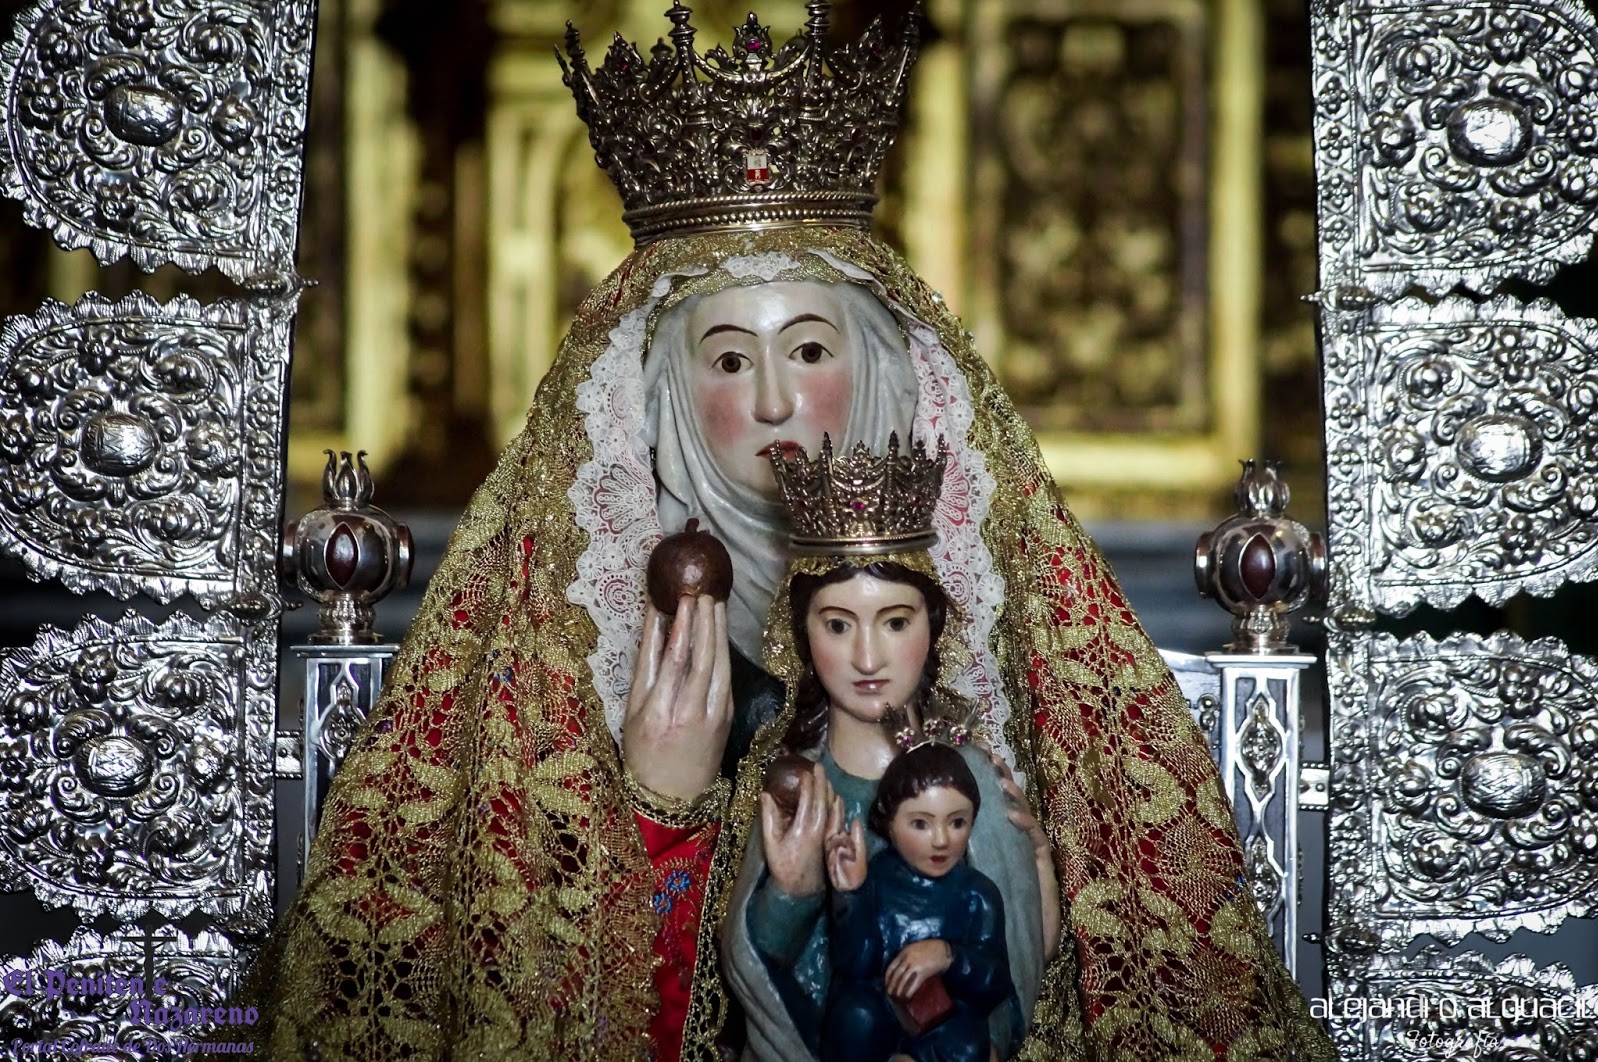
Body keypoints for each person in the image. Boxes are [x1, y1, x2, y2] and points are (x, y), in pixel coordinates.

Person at [236, 5, 1336, 1061]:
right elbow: (524, 972)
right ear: (663, 394)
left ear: (875, 367)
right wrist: (657, 804)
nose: (772, 403)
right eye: (727, 360)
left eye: (808, 351)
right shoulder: (579, 626)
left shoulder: (991, 615)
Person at [722, 435, 1043, 1062]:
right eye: (838, 624)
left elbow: (1022, 970)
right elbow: (756, 974)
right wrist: (792, 893)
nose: (867, 658)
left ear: (934, 625)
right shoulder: (797, 786)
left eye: (895, 621)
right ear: (802, 632)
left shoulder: (971, 777)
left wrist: (1034, 870)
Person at [826, 743, 1013, 1062]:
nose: (941, 840)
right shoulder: (876, 880)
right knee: (856, 1016)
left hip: (945, 1024)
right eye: (921, 824)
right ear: (889, 823)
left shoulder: (977, 894)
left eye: (956, 822)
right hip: (881, 1016)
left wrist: (949, 957)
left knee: (968, 1047)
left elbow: (995, 984)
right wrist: (852, 893)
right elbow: (856, 963)